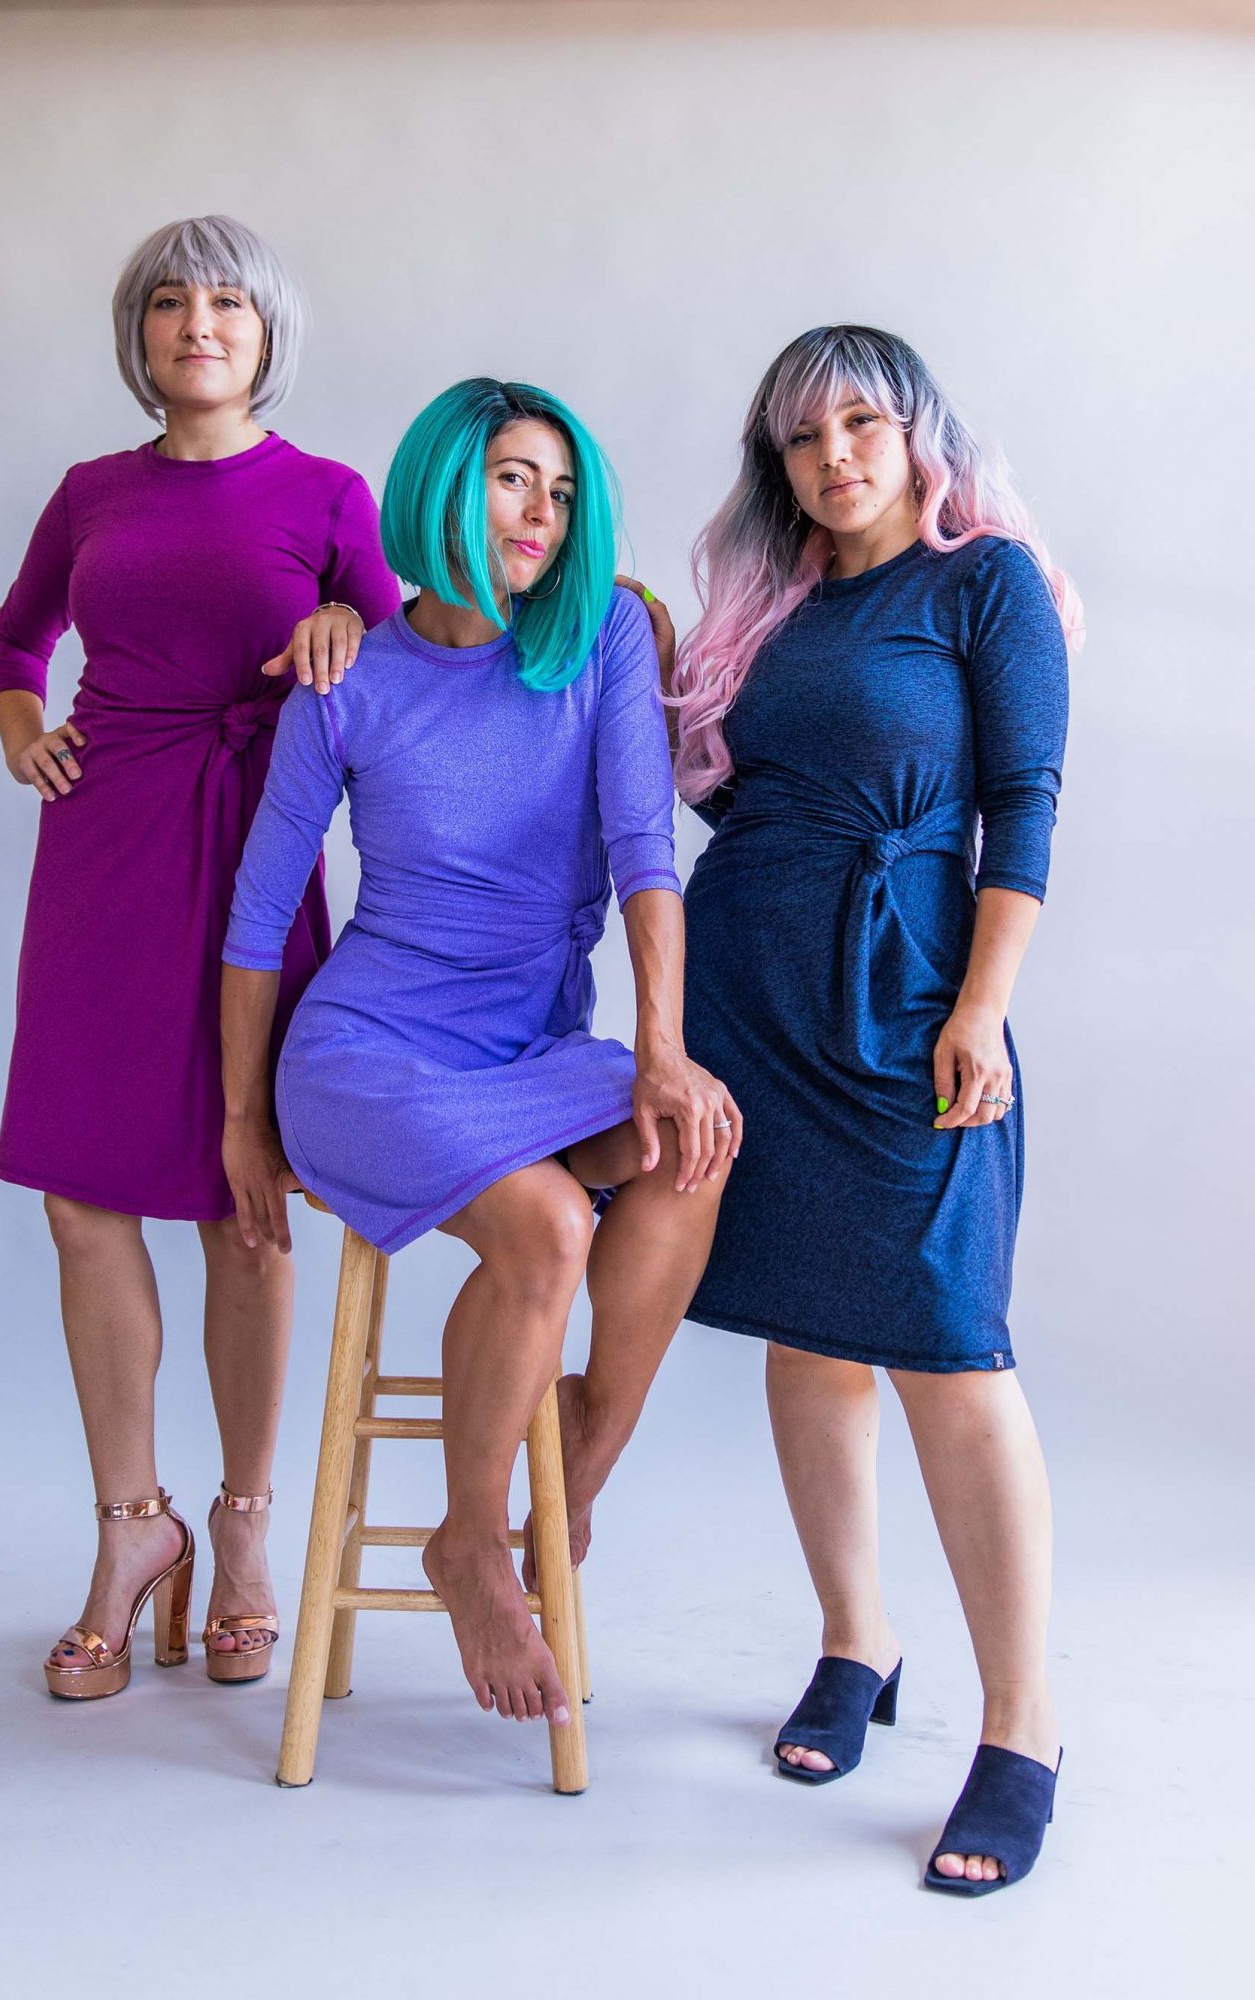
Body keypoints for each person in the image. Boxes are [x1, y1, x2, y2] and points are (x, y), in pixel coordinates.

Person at [221, 378, 740, 1726]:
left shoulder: (603, 637)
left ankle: (584, 1444)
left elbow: (646, 850)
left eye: (562, 492)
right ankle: (468, 1538)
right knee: (551, 1228)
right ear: (447, 482)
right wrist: (240, 1122)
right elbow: (259, 917)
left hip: (531, 1047)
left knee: (694, 1142)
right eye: (515, 478)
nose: (541, 512)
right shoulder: (347, 675)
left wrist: (664, 1051)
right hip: (369, 1057)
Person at [670, 325, 1078, 1894]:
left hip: (909, 1004)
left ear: (918, 436)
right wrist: (657, 666)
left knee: (950, 1351)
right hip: (754, 1006)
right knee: (812, 1334)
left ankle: (1024, 1728)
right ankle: (857, 1645)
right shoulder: (774, 610)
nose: (834, 455)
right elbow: (743, 798)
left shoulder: (987, 585)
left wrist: (979, 1006)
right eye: (802, 435)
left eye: (861, 422)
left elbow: (1023, 804)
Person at [0, 215, 398, 1699]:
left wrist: (347, 616)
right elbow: (15, 643)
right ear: (140, 335)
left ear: (267, 333)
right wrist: (25, 730)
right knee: (82, 1199)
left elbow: (412, 666)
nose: (199, 323)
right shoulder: (91, 492)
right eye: (170, 302)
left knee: (249, 1202)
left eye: (228, 301)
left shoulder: (332, 492)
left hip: (257, 853)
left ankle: (243, 1525)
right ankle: (131, 1527)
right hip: (101, 853)